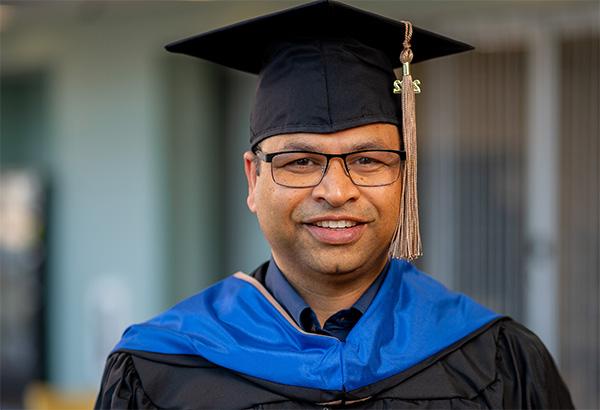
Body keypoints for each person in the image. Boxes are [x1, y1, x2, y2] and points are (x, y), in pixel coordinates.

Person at [95, 1, 574, 409]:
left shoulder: (496, 357)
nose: (337, 190)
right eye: (301, 161)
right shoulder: (159, 368)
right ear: (252, 178)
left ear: (404, 178)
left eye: (368, 160)